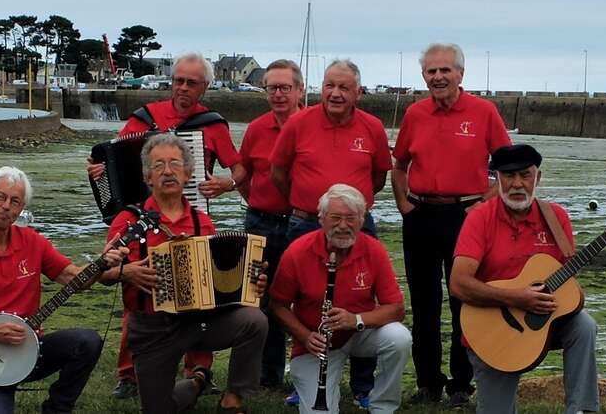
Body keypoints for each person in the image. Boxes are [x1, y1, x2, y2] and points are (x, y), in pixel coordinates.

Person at [88, 51, 245, 398]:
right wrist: (100, 173)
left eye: (191, 82)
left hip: (192, 214)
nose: (183, 88)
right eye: (178, 81)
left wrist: (225, 184)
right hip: (141, 216)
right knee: (139, 288)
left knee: (199, 289)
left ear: (205, 87)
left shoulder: (213, 124)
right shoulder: (145, 117)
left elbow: (239, 169)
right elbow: (108, 156)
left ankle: (199, 369)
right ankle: (128, 374)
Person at [0, 166, 127, 414]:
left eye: (15, 201)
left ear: (21, 208)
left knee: (87, 342)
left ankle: (57, 408)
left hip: (31, 350)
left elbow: (75, 279)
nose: (6, 206)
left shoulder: (33, 242)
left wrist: (102, 261)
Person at [98, 132, 268, 414]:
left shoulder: (203, 222)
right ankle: (197, 382)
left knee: (254, 320)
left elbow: (220, 279)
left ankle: (233, 397)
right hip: (152, 327)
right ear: (147, 177)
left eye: (175, 164)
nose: (167, 172)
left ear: (188, 174)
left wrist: (250, 281)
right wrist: (125, 272)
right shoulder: (127, 220)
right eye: (158, 165)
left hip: (197, 322)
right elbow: (101, 274)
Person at [390, 42, 511, 406]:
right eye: (431, 71)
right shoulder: (415, 114)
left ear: (461, 73)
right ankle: (428, 382)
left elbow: (508, 170)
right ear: (424, 76)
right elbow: (398, 165)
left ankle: (461, 384)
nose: (438, 77)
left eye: (445, 70)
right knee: (424, 304)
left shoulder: (483, 112)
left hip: (467, 217)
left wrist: (483, 206)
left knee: (465, 302)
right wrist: (402, 205)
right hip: (421, 215)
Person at [269, 59, 392, 408]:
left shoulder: (373, 127)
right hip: (306, 221)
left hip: (357, 224)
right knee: (302, 299)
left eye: (344, 88)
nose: (335, 94)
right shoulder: (298, 123)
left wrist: (351, 209)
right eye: (329, 86)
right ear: (320, 87)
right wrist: (310, 202)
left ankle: (364, 385)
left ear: (357, 92)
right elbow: (279, 172)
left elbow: (379, 178)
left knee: (362, 300)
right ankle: (306, 375)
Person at [450, 144, 600, 414]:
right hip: (492, 330)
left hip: (541, 326)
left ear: (538, 178)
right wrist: (516, 297)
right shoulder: (480, 219)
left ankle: (581, 409)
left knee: (584, 325)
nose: (517, 184)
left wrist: (550, 296)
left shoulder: (557, 218)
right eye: (508, 176)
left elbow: (566, 280)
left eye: (525, 175)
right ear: (496, 178)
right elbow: (458, 283)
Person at [270, 184, 411, 414]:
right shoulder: (297, 252)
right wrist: (305, 337)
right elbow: (278, 305)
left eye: (351, 218)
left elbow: (396, 309)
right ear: (321, 218)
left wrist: (355, 319)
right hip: (316, 343)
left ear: (362, 220)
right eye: (335, 218)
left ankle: (383, 407)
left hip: (359, 332)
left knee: (399, 338)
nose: (343, 226)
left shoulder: (373, 249)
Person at [235, 59, 305, 388]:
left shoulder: (311, 126)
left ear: (300, 91)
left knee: (301, 298)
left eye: (284, 88)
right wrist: (259, 204)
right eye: (272, 88)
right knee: (257, 298)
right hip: (260, 222)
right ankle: (266, 375)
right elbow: (245, 175)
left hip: (300, 223)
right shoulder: (257, 128)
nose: (278, 94)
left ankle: (305, 373)